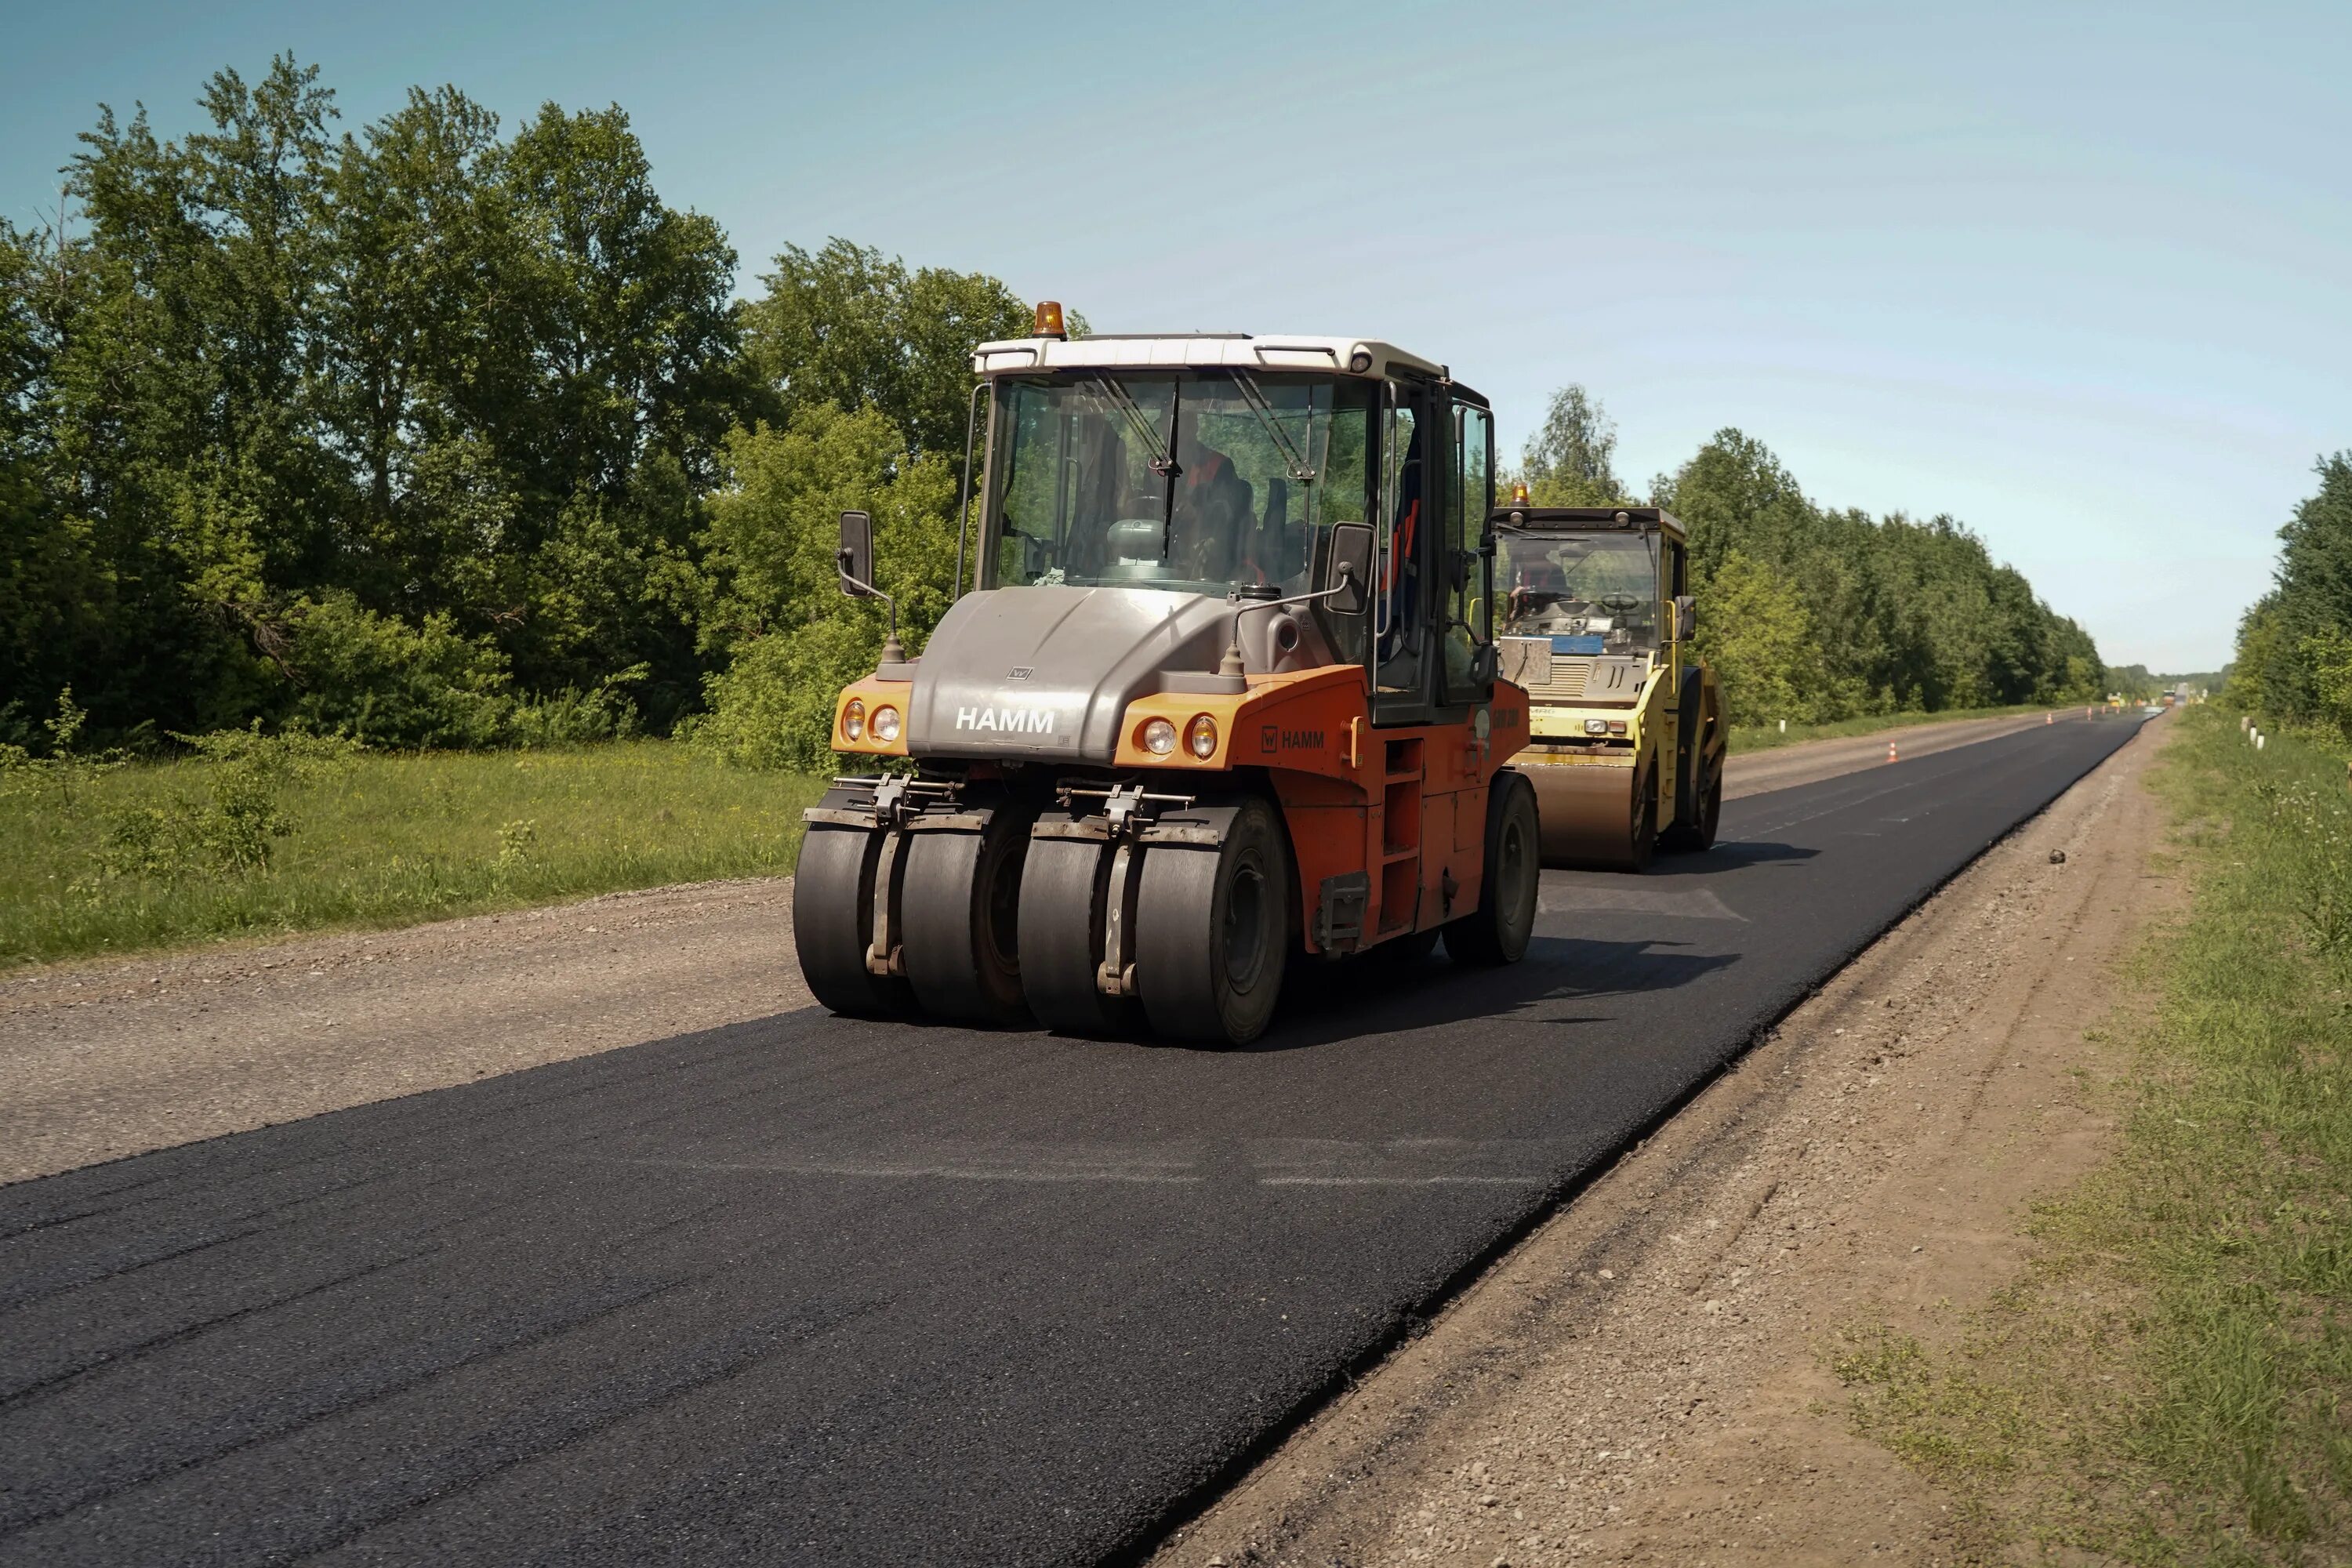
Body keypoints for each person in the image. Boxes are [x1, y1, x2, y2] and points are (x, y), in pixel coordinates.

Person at [1167, 404, 1256, 582]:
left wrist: (1198, 512)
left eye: (1181, 423)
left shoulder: (1218, 465)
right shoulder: (1156, 466)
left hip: (1205, 547)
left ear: (1194, 426)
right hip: (1164, 545)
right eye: (1166, 422)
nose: (1174, 430)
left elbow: (1229, 512)